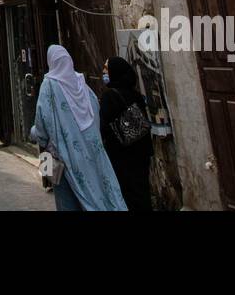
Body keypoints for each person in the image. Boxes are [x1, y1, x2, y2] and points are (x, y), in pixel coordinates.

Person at [30, 44, 127, 211]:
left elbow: (42, 120)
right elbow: (95, 113)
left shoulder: (49, 85)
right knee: (95, 194)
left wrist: (36, 134)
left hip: (61, 158)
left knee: (66, 201)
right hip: (91, 154)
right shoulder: (82, 84)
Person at [100, 56, 154, 212]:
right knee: (142, 194)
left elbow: (104, 128)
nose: (104, 74)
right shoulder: (136, 94)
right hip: (142, 153)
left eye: (106, 71)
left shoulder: (109, 97)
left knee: (126, 196)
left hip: (122, 156)